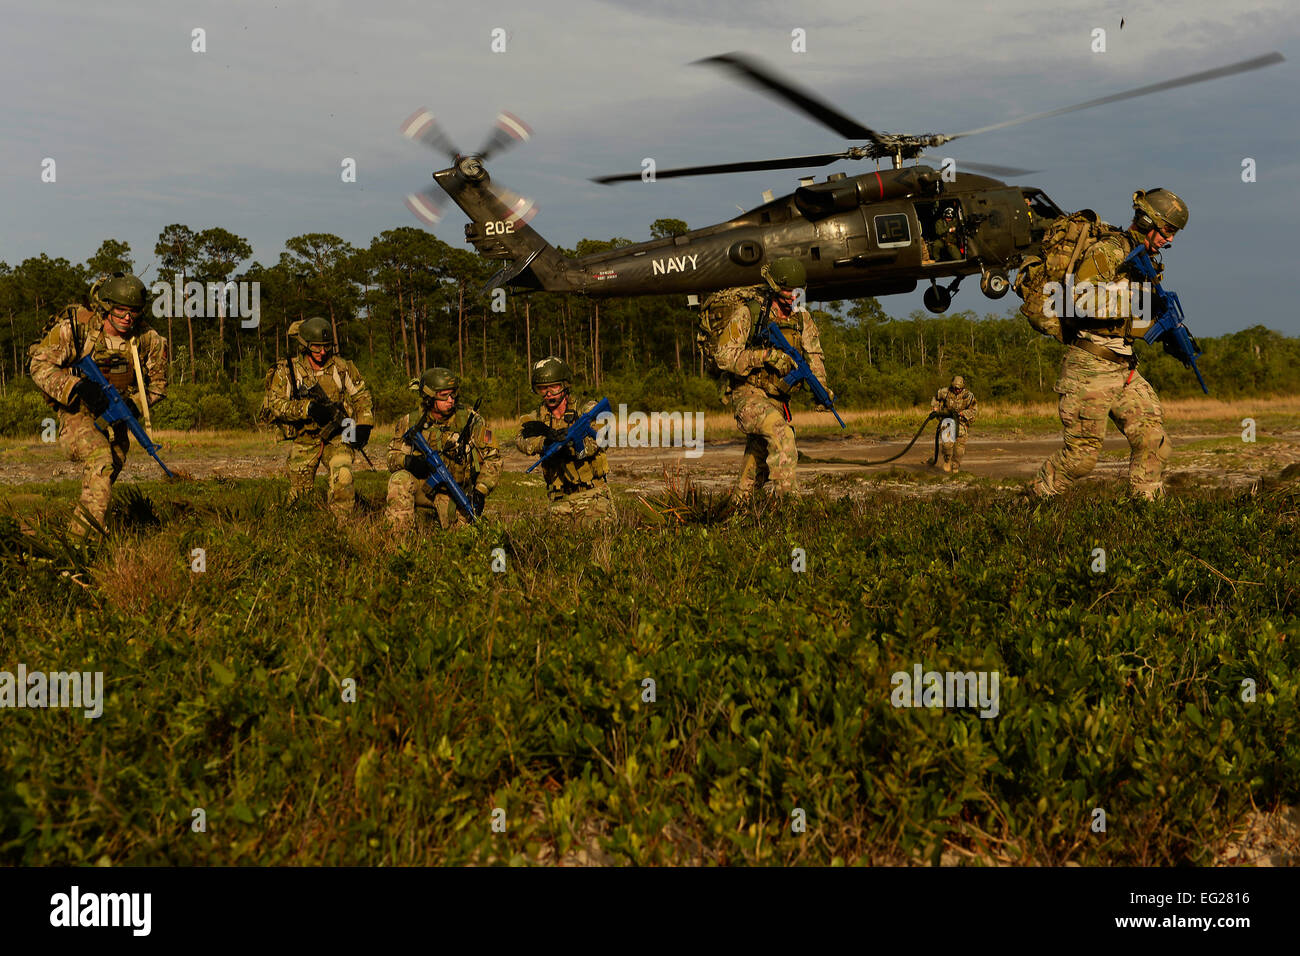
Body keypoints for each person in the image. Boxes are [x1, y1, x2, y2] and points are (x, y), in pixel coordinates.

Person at [1032, 188, 1189, 500]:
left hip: (1124, 367)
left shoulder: (1147, 261)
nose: (1169, 239)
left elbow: (1134, 317)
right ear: (1148, 221)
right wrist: (1133, 301)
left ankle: (1147, 512)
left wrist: (1164, 327)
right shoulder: (1109, 252)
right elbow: (1074, 300)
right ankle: (1034, 504)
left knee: (1153, 440)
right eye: (1168, 230)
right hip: (1090, 366)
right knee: (1080, 459)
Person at [28, 272, 168, 539]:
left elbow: (159, 384)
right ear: (106, 307)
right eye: (121, 311)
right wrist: (75, 386)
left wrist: (136, 404)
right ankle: (81, 542)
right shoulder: (76, 328)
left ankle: (78, 526)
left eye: (134, 312)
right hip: (77, 412)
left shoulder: (148, 339)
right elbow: (38, 365)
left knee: (111, 466)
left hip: (116, 415)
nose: (129, 318)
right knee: (101, 459)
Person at [711, 257, 832, 500]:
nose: (793, 297)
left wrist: (822, 388)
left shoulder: (802, 318)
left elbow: (815, 357)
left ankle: (736, 513)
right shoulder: (750, 314)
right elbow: (723, 356)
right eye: (788, 291)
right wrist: (764, 356)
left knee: (756, 467)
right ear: (775, 287)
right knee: (782, 435)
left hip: (777, 400)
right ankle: (791, 509)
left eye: (797, 291)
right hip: (748, 396)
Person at [259, 316, 373, 518]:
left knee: (343, 475)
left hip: (337, 436)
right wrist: (307, 408)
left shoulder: (342, 367)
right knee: (299, 497)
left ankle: (343, 527)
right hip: (305, 438)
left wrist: (364, 424)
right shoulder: (288, 372)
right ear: (305, 345)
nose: (322, 352)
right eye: (316, 347)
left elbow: (361, 395)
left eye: (327, 347)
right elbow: (275, 405)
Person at [386, 367, 500, 529]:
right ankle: (400, 540)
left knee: (462, 539)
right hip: (422, 488)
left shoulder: (470, 420)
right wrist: (408, 461)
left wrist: (481, 490)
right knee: (399, 479)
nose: (450, 399)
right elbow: (391, 457)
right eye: (443, 395)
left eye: (453, 393)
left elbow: (493, 458)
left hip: (454, 491)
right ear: (429, 396)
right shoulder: (410, 421)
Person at [515, 356, 613, 525]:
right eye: (542, 389)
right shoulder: (536, 417)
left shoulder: (584, 408)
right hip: (558, 499)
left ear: (565, 385)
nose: (548, 394)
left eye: (554, 387)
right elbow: (520, 438)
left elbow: (602, 437)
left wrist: (571, 445)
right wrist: (544, 442)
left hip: (593, 495)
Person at [931, 375, 977, 473]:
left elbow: (974, 410)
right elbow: (935, 398)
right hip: (947, 420)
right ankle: (947, 460)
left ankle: (955, 466)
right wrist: (935, 408)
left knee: (959, 449)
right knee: (947, 445)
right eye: (955, 388)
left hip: (961, 422)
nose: (957, 390)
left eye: (959, 389)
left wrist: (963, 413)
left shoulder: (969, 396)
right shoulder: (945, 392)